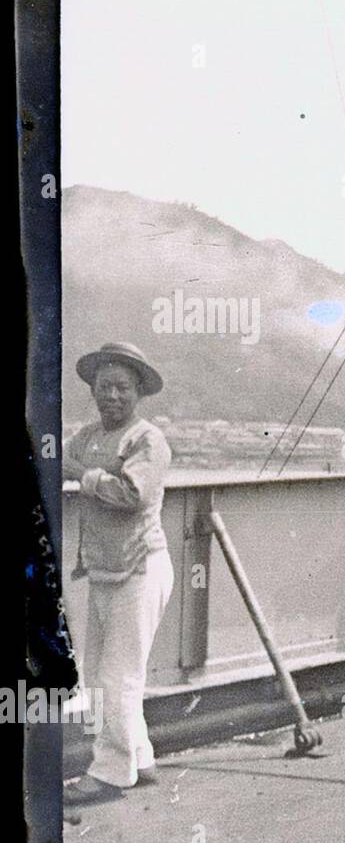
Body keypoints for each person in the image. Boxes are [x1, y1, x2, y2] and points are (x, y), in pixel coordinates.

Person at [62, 342, 174, 808]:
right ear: (92, 390)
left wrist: (84, 476)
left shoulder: (148, 440)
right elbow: (57, 462)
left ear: (138, 393)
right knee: (107, 674)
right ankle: (140, 759)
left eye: (122, 388)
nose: (112, 395)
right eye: (104, 386)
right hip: (105, 571)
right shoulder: (87, 437)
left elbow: (132, 493)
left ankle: (109, 774)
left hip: (141, 568)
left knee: (116, 677)